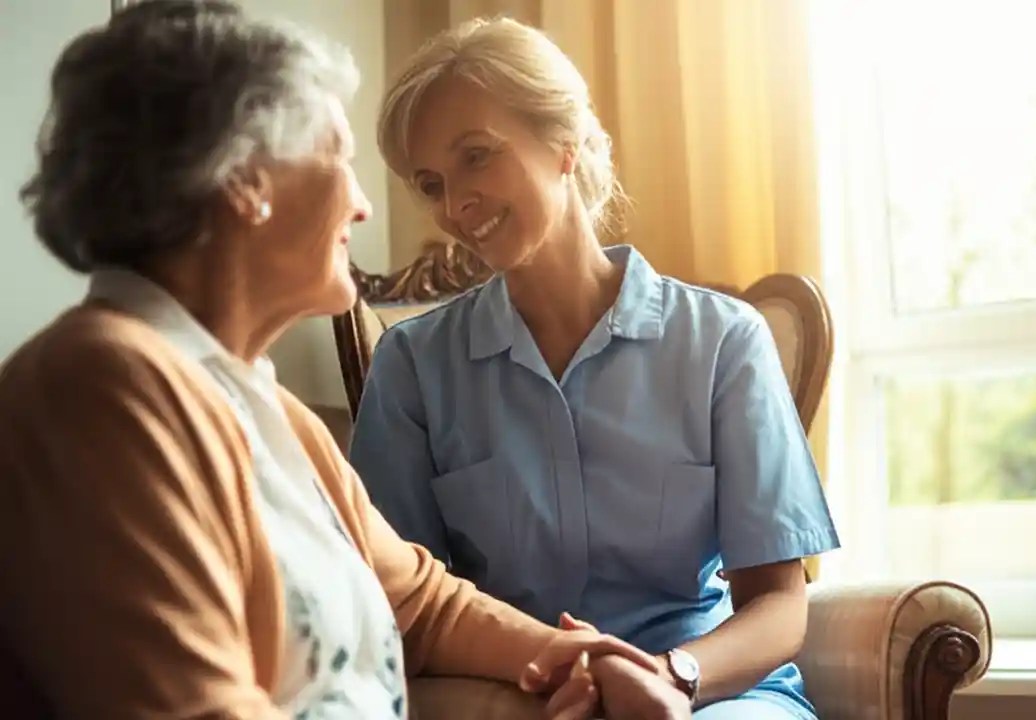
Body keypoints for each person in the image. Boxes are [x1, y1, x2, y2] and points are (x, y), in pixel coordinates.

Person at [0, 2, 688, 718]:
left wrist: (591, 661)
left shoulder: (263, 405)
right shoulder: (99, 391)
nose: (363, 206)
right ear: (245, 180)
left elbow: (423, 606)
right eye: (339, 158)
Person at [352, 17, 841, 719]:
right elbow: (400, 606)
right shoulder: (411, 368)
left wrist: (672, 679)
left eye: (478, 157)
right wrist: (566, 682)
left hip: (713, 694)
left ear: (564, 143)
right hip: (515, 696)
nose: (456, 206)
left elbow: (778, 604)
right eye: (431, 184)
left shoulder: (724, 343)